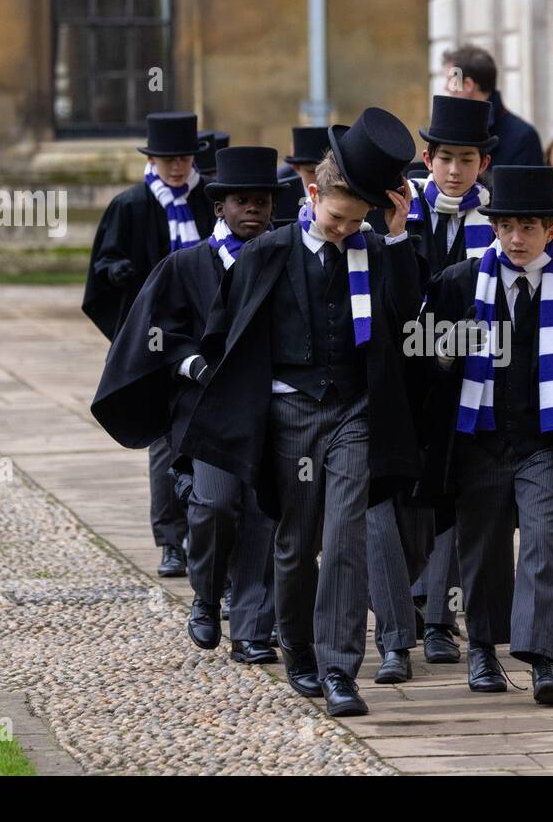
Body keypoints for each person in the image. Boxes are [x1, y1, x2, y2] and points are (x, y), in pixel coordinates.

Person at [179, 108, 425, 718]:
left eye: (357, 221)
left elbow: (405, 317)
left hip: (353, 415)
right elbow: (222, 336)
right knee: (294, 545)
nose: (345, 230)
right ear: (312, 195)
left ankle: (341, 668)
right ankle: (298, 649)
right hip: (289, 416)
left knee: (344, 538)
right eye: (337, 218)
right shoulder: (265, 254)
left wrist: (395, 234)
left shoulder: (373, 248)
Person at [419, 165, 553, 704]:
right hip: (479, 441)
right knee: (485, 548)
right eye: (507, 226)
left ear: (551, 230)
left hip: (543, 444)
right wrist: (446, 354)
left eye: (529, 227)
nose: (517, 239)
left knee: (543, 543)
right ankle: (483, 653)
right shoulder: (459, 284)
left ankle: (543, 660)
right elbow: (419, 361)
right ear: (493, 227)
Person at [91, 147, 283, 664]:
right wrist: (187, 361)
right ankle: (205, 592)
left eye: (262, 202)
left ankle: (250, 631)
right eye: (242, 201)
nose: (253, 211)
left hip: (268, 411)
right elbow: (151, 332)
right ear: (218, 207)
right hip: (208, 412)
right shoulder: (185, 266)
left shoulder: (285, 262)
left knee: (264, 516)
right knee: (215, 506)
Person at [363, 93, 500, 683]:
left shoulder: (498, 221)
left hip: (465, 375)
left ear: (481, 165)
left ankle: (441, 622)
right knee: (382, 501)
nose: (454, 170)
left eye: (466, 160)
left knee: (455, 498)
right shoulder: (394, 208)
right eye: (445, 158)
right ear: (427, 156)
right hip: (395, 377)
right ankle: (395, 634)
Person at [82, 111, 213, 576]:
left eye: (183, 158)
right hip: (154, 339)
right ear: (153, 159)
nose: (177, 167)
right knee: (163, 441)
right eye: (167, 159)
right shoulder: (132, 205)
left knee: (208, 439)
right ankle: (170, 540)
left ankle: (207, 535)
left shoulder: (210, 200)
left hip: (204, 335)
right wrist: (117, 272)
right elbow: (104, 264)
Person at [441, 44, 543, 168]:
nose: (446, 87)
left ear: (468, 85)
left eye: (450, 81)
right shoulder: (449, 131)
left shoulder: (524, 137)